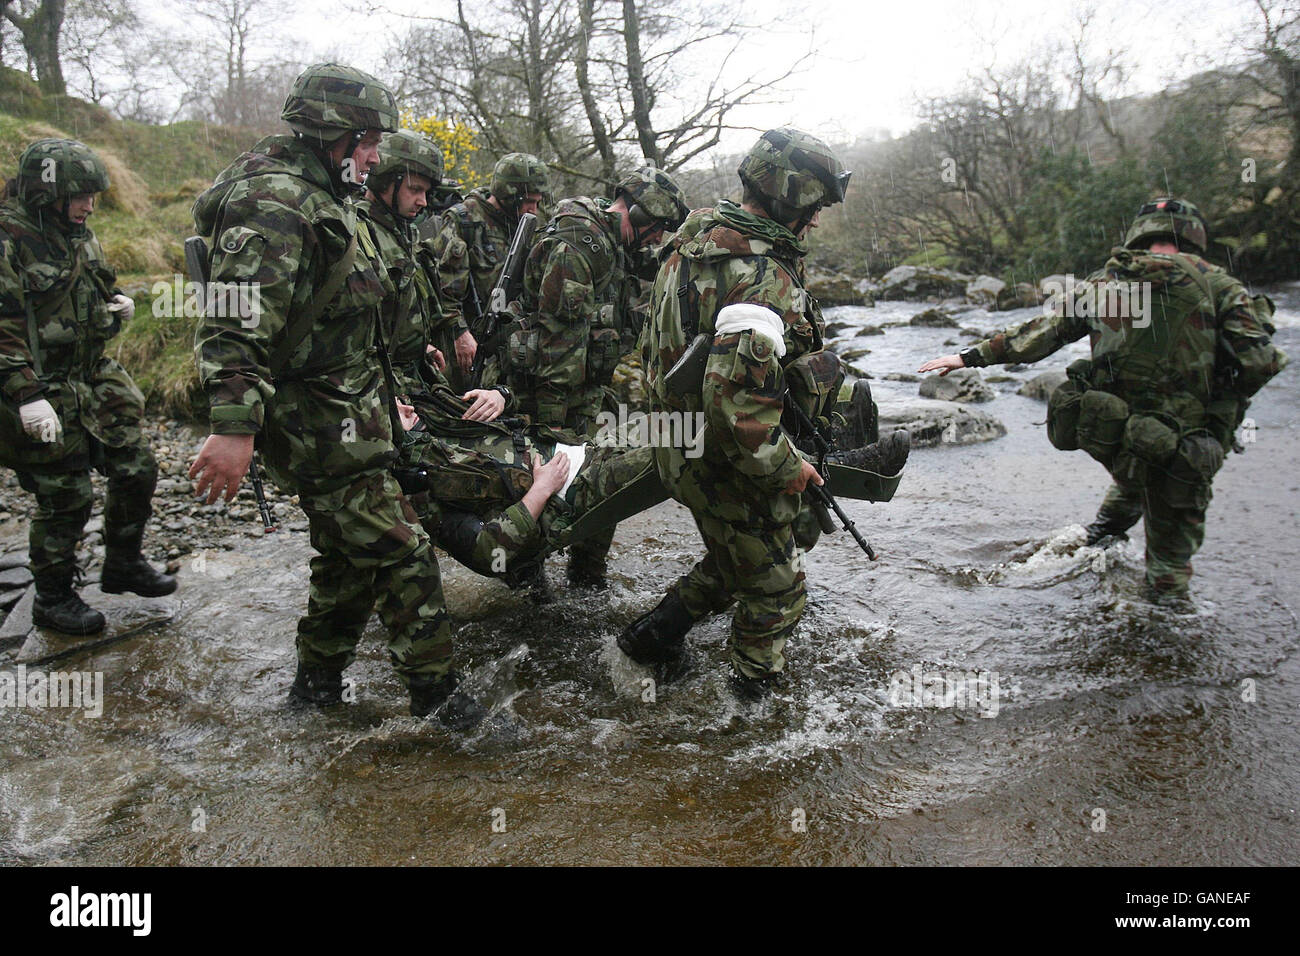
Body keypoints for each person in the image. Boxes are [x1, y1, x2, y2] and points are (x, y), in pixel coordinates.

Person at [187, 63, 483, 727]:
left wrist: (395, 386)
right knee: (403, 549)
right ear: (333, 133)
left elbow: (345, 321)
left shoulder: (322, 195)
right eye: (368, 139)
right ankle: (442, 709)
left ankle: (315, 689)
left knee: (350, 557)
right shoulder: (274, 201)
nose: (377, 155)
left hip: (351, 413)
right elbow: (237, 323)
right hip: (311, 422)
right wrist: (234, 428)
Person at [618, 128, 909, 698]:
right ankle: (746, 714)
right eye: (816, 207)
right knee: (777, 590)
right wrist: (787, 468)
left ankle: (651, 638)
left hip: (678, 442)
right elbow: (739, 409)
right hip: (725, 456)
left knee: (754, 552)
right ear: (791, 197)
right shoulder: (761, 277)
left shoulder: (694, 242)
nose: (818, 221)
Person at [918, 197, 1288, 600]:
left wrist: (968, 357)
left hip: (1115, 433)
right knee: (1168, 568)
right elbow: (1261, 362)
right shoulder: (1219, 284)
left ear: (1140, 234)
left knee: (1134, 477)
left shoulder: (1105, 282)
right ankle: (1162, 639)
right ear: (1194, 237)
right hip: (1185, 443)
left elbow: (1042, 334)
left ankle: (1096, 543)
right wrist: (1221, 402)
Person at [0, 138, 176, 635]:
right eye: (79, 196)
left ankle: (122, 564)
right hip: (33, 385)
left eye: (92, 196)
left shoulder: (79, 233)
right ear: (45, 194)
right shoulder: (8, 240)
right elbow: (3, 325)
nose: (88, 206)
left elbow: (96, 286)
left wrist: (117, 303)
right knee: (66, 494)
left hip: (90, 377)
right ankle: (52, 597)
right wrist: (26, 395)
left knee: (137, 467)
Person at [499, 166, 690, 588]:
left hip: (583, 389)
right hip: (549, 394)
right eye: (656, 229)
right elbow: (559, 343)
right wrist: (555, 431)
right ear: (639, 216)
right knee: (552, 482)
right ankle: (528, 580)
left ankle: (587, 575)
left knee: (600, 478)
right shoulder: (578, 242)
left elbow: (605, 319)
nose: (657, 239)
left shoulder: (609, 243)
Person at [426, 152, 550, 392]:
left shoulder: (525, 225)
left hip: (509, 344)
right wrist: (459, 333)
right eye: (529, 201)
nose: (534, 209)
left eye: (538, 201)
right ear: (509, 195)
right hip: (467, 341)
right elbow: (441, 289)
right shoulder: (465, 220)